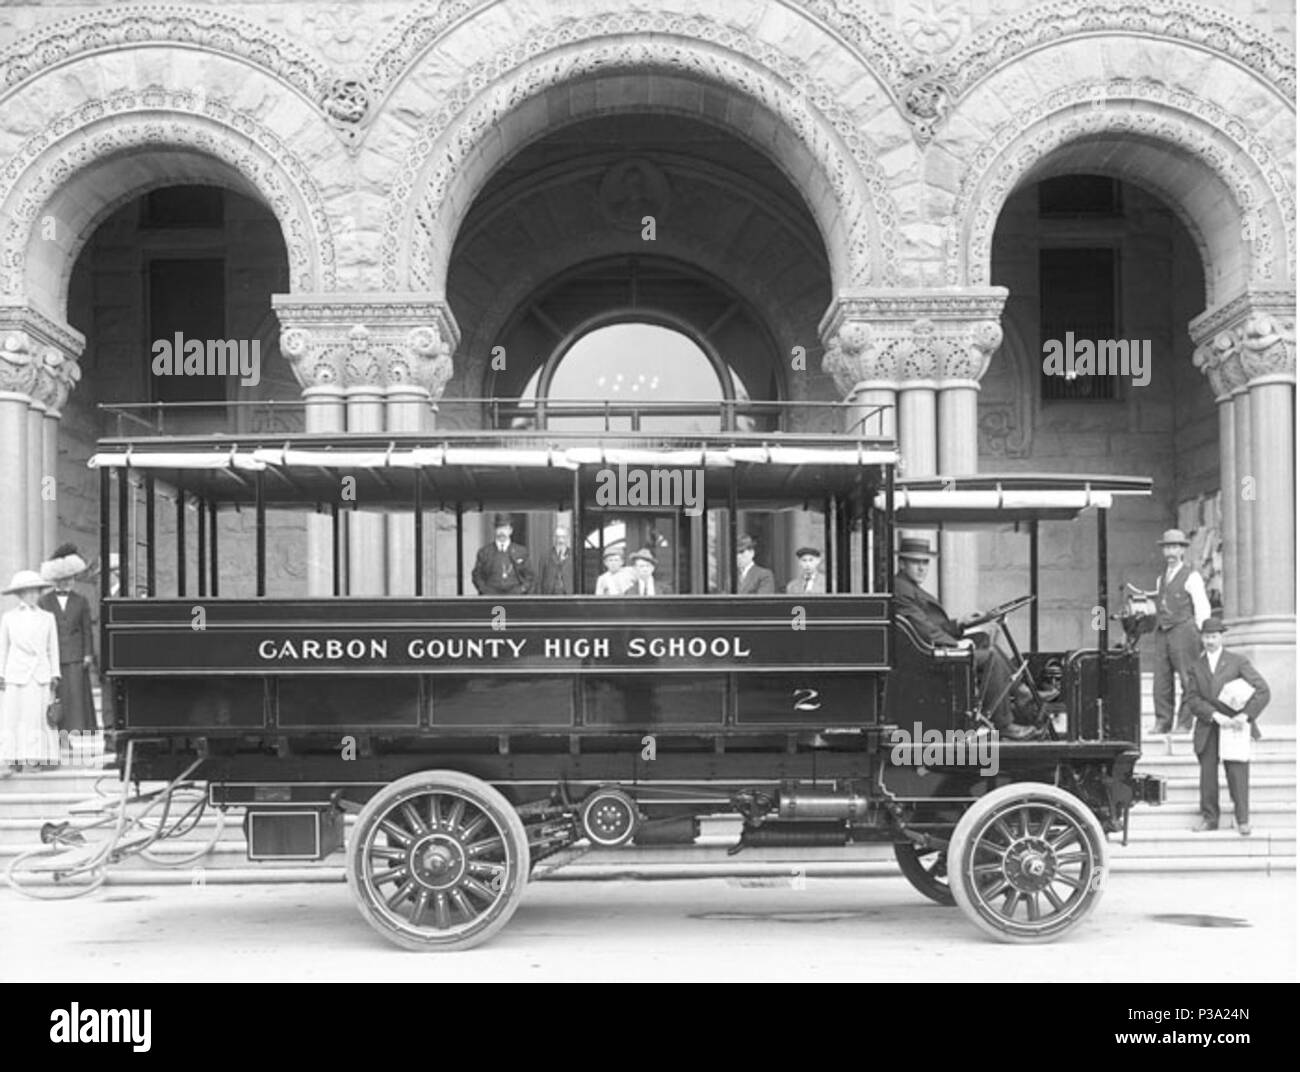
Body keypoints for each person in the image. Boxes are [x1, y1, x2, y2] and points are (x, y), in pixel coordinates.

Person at [892, 538, 1042, 740]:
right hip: (925, 658)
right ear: (902, 563)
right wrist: (956, 645)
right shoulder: (902, 590)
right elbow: (924, 630)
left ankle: (1021, 691)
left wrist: (961, 623)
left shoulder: (908, 587)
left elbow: (931, 626)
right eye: (915, 562)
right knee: (990, 657)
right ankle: (1004, 723)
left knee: (982, 639)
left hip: (928, 649)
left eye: (925, 562)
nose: (921, 568)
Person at [1183, 618, 1270, 835]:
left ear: (1221, 637)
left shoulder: (1237, 661)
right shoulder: (1195, 666)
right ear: (1201, 638)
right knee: (1208, 776)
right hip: (1209, 726)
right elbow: (1192, 699)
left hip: (1234, 726)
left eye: (1214, 636)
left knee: (1237, 773)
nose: (1210, 641)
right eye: (1206, 637)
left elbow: (1262, 690)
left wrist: (1244, 716)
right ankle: (1210, 818)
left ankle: (1242, 819)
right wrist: (1214, 715)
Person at [1150, 528, 1211, 733]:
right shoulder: (1160, 579)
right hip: (1163, 631)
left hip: (1184, 631)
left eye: (1174, 547)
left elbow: (1202, 607)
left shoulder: (1192, 576)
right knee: (1161, 679)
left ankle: (1184, 722)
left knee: (1188, 678)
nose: (1170, 553)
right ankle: (1163, 721)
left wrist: (1203, 634)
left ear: (1182, 550)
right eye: (1167, 548)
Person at [0, 571, 61, 773]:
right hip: (16, 673)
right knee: (13, 717)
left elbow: (53, 648)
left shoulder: (47, 617)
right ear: (20, 594)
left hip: (39, 673)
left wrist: (55, 673)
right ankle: (12, 758)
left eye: (36, 591)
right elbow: (3, 648)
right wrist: (1, 673)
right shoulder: (9, 618)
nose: (33, 595)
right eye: (28, 592)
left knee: (36, 717)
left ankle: (36, 758)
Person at [38, 544, 97, 737]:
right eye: (63, 579)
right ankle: (60, 735)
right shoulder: (44, 601)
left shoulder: (81, 600)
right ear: (56, 580)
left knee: (76, 695)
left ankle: (78, 732)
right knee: (58, 696)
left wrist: (88, 654)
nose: (67, 583)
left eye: (70, 579)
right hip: (54, 655)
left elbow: (87, 629)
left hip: (76, 655)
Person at [471, 514, 535, 596]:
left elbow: (529, 576)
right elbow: (477, 575)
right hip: (491, 596)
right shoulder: (485, 552)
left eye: (505, 528)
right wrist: (484, 590)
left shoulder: (521, 552)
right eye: (499, 528)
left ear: (510, 531)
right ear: (495, 530)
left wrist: (522, 589)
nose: (502, 532)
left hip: (515, 596)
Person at [538, 525, 575, 595]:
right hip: (549, 595)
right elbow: (540, 579)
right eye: (558, 537)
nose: (560, 540)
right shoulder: (545, 556)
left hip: (569, 594)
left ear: (568, 538)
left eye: (563, 537)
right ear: (554, 538)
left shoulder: (574, 556)